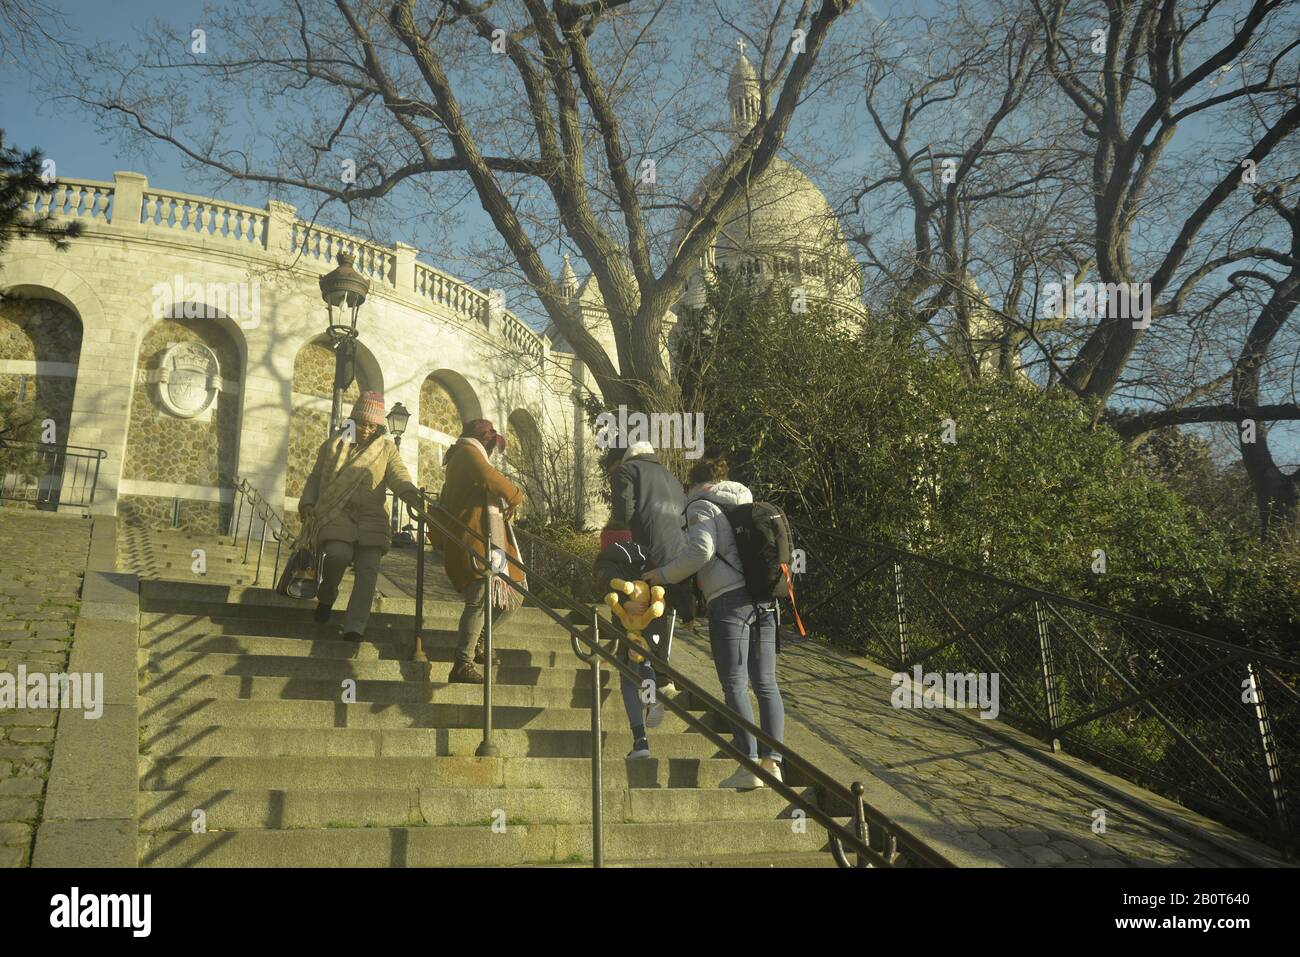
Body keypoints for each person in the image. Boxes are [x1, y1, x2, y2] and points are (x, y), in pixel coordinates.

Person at [644, 454, 785, 790]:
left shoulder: (699, 505)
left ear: (692, 484)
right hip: (765, 598)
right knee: (766, 682)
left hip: (729, 600)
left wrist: (661, 574)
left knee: (735, 683)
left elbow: (700, 552)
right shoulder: (745, 502)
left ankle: (748, 764)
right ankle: (773, 763)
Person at [299, 391, 425, 641]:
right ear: (353, 420)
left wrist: (410, 494)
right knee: (337, 555)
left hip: (372, 517)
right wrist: (307, 501)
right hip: (337, 512)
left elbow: (398, 475)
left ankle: (354, 627)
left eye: (372, 425)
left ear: (378, 427)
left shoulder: (386, 449)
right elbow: (315, 476)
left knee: (368, 572)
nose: (367, 430)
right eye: (362, 424)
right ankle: (326, 597)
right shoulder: (334, 444)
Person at [438, 418, 526, 684]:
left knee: (516, 593)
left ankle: (480, 640)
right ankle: (462, 663)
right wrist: (516, 496)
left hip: (486, 538)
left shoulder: (468, 455)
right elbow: (489, 478)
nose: (492, 451)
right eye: (492, 444)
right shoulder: (466, 453)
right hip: (471, 537)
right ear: (485, 441)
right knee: (478, 598)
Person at [604, 440, 691, 693]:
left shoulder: (626, 471)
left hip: (646, 549)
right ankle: (662, 676)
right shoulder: (670, 476)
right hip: (677, 553)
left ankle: (634, 668)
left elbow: (624, 513)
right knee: (659, 609)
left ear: (618, 462)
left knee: (633, 602)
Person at [593, 534, 666, 759]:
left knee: (627, 680)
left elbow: (606, 584)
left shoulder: (607, 559)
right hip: (652, 619)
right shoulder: (646, 555)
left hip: (626, 622)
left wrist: (624, 603)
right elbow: (662, 584)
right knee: (643, 659)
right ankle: (650, 701)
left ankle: (640, 740)